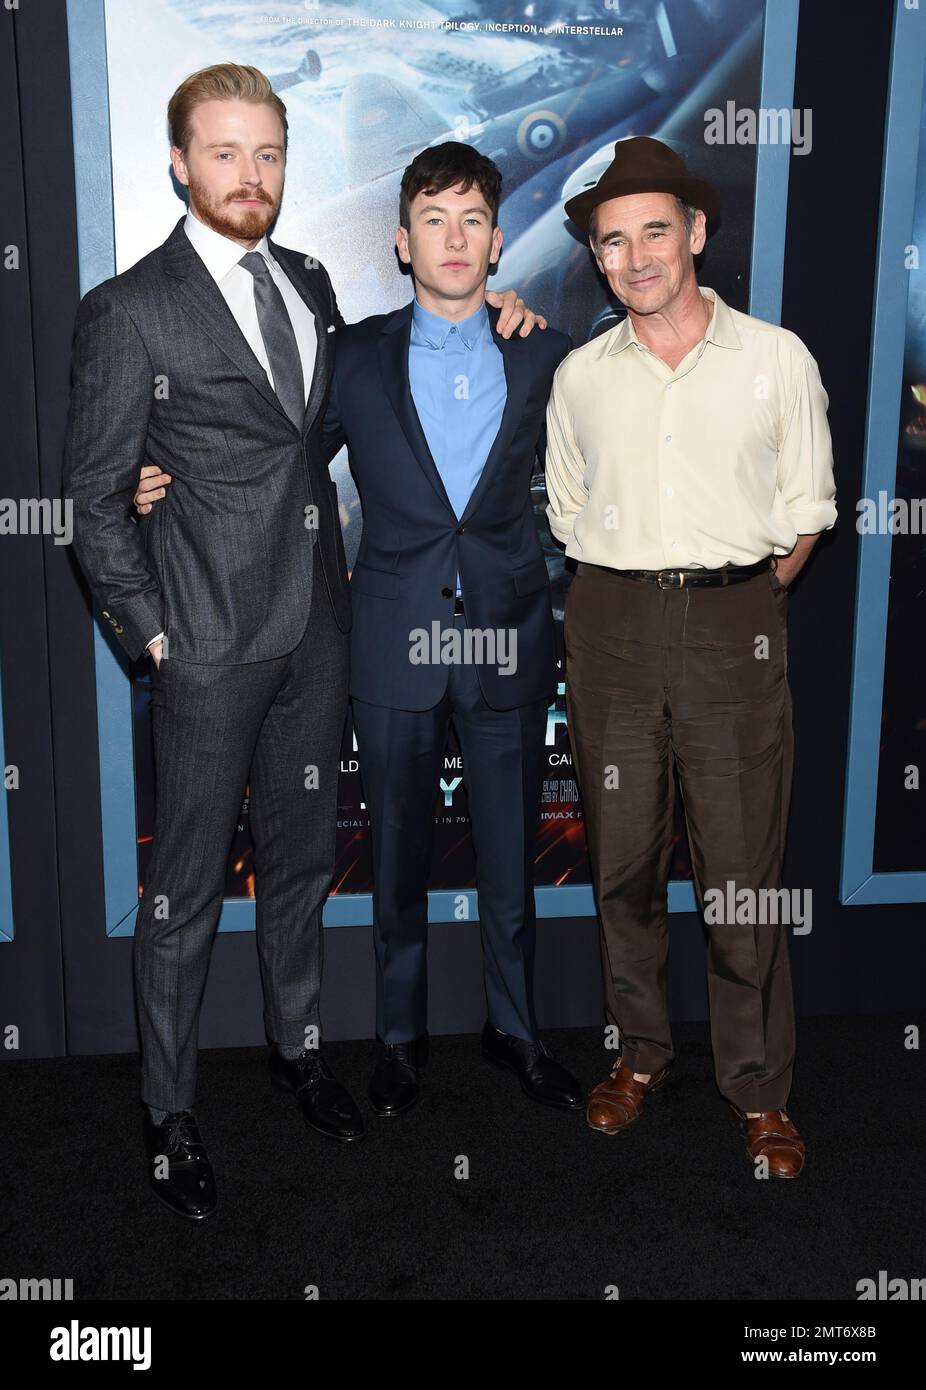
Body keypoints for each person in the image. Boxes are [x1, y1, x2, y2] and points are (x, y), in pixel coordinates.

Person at [64, 64, 536, 1222]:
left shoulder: (311, 281)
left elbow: (325, 423)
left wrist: (504, 318)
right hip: (209, 645)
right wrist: (158, 639)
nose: (249, 177)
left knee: (296, 869)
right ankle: (169, 1115)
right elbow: (88, 502)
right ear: (179, 164)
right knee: (180, 894)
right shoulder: (128, 310)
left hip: (319, 633)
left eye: (268, 154)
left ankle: (298, 1049)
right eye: (223, 154)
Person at [139, 141, 584, 1118]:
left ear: (499, 240)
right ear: (399, 240)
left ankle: (515, 1032)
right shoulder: (353, 358)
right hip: (394, 642)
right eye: (433, 218)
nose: (454, 237)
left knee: (511, 861)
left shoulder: (545, 352)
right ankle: (396, 1041)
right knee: (394, 861)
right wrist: (155, 474)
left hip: (505, 639)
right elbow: (274, 458)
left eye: (472, 219)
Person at [544, 137, 837, 1178]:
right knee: (619, 865)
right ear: (597, 258)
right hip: (607, 628)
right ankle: (638, 1055)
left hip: (730, 627)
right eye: (611, 241)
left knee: (739, 876)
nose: (633, 257)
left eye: (652, 231)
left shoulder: (773, 360)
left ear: (696, 233)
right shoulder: (578, 377)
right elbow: (570, 513)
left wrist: (731, 600)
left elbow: (803, 517)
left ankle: (758, 1093)